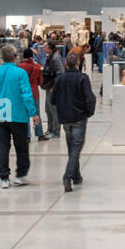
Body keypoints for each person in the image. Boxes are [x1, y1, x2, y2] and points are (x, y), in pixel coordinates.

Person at [0, 44, 40, 187]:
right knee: (21, 146)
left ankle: (4, 177)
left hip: (2, 115)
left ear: (2, 58)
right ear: (15, 57)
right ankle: (20, 175)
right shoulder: (20, 73)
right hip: (18, 115)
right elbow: (27, 95)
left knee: (2, 146)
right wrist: (33, 113)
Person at [50, 51, 96, 192]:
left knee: (72, 147)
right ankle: (68, 176)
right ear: (78, 63)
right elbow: (90, 98)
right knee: (76, 147)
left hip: (65, 118)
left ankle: (76, 176)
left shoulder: (60, 79)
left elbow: (53, 100)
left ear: (66, 63)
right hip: (79, 117)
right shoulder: (82, 78)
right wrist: (89, 112)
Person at [17, 49, 49, 141]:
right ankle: (39, 134)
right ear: (32, 56)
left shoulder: (20, 67)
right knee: (36, 113)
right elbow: (40, 82)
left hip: (23, 94)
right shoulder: (37, 66)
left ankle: (27, 136)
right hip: (34, 93)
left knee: (25, 114)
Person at [41, 41, 64, 139]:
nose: (43, 49)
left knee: (54, 110)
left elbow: (61, 73)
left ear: (50, 48)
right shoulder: (49, 57)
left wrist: (54, 86)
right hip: (49, 86)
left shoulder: (55, 58)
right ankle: (50, 129)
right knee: (48, 109)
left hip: (53, 88)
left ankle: (56, 131)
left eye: (45, 47)